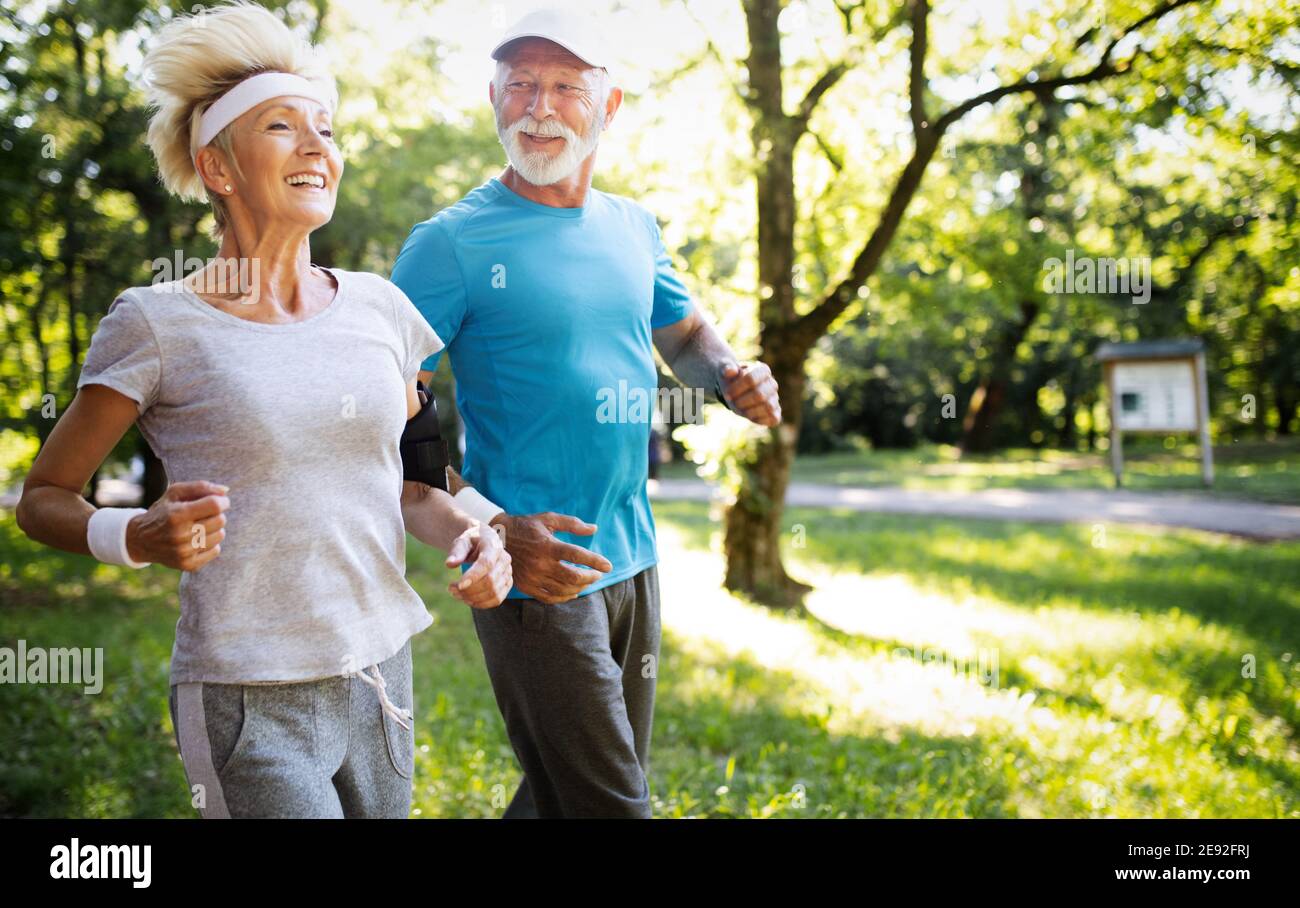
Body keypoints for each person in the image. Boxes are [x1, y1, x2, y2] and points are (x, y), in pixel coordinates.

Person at [14, 1, 512, 819]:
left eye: (325, 128)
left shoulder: (384, 311)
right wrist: (136, 536)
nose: (319, 147)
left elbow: (421, 486)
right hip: (246, 695)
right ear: (218, 168)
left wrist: (478, 534)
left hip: (382, 675)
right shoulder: (156, 323)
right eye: (283, 127)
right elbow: (44, 501)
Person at [391, 8, 781, 818]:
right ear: (493, 98)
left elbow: (685, 333)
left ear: (608, 106)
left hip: (633, 558)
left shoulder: (634, 228)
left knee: (562, 796)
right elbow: (384, 409)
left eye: (566, 86)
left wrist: (728, 375)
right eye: (522, 84)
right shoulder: (450, 243)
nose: (540, 106)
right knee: (613, 805)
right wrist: (492, 527)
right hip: (536, 569)